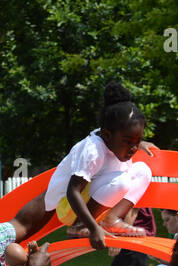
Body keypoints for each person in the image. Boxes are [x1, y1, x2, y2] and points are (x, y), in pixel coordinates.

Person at [44, 80, 157, 246]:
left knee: (143, 171)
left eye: (137, 141)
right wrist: (92, 227)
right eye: (128, 141)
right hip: (71, 209)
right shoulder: (93, 150)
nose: (133, 148)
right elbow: (73, 191)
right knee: (122, 181)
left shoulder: (114, 141)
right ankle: (80, 226)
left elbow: (125, 141)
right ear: (107, 134)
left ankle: (111, 219)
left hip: (92, 204)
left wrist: (139, 143)